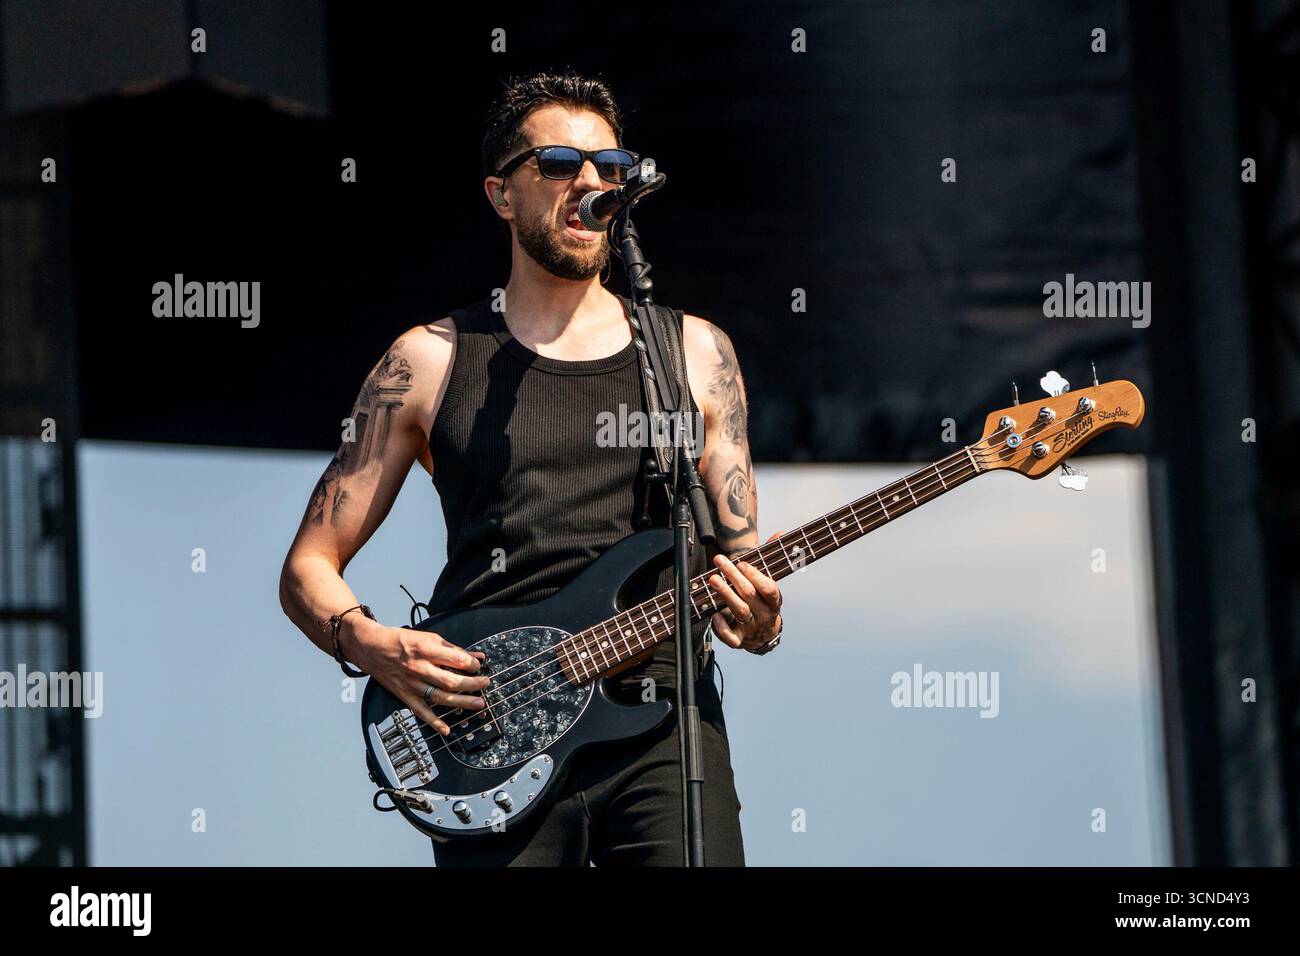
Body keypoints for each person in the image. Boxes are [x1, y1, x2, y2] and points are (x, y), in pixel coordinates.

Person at [279, 70, 783, 865]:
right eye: (557, 162)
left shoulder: (695, 353)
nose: (588, 182)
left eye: (608, 166)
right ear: (500, 194)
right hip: (487, 733)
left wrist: (759, 620)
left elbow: (743, 566)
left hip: (663, 727)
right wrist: (370, 643)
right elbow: (309, 565)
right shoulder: (427, 360)